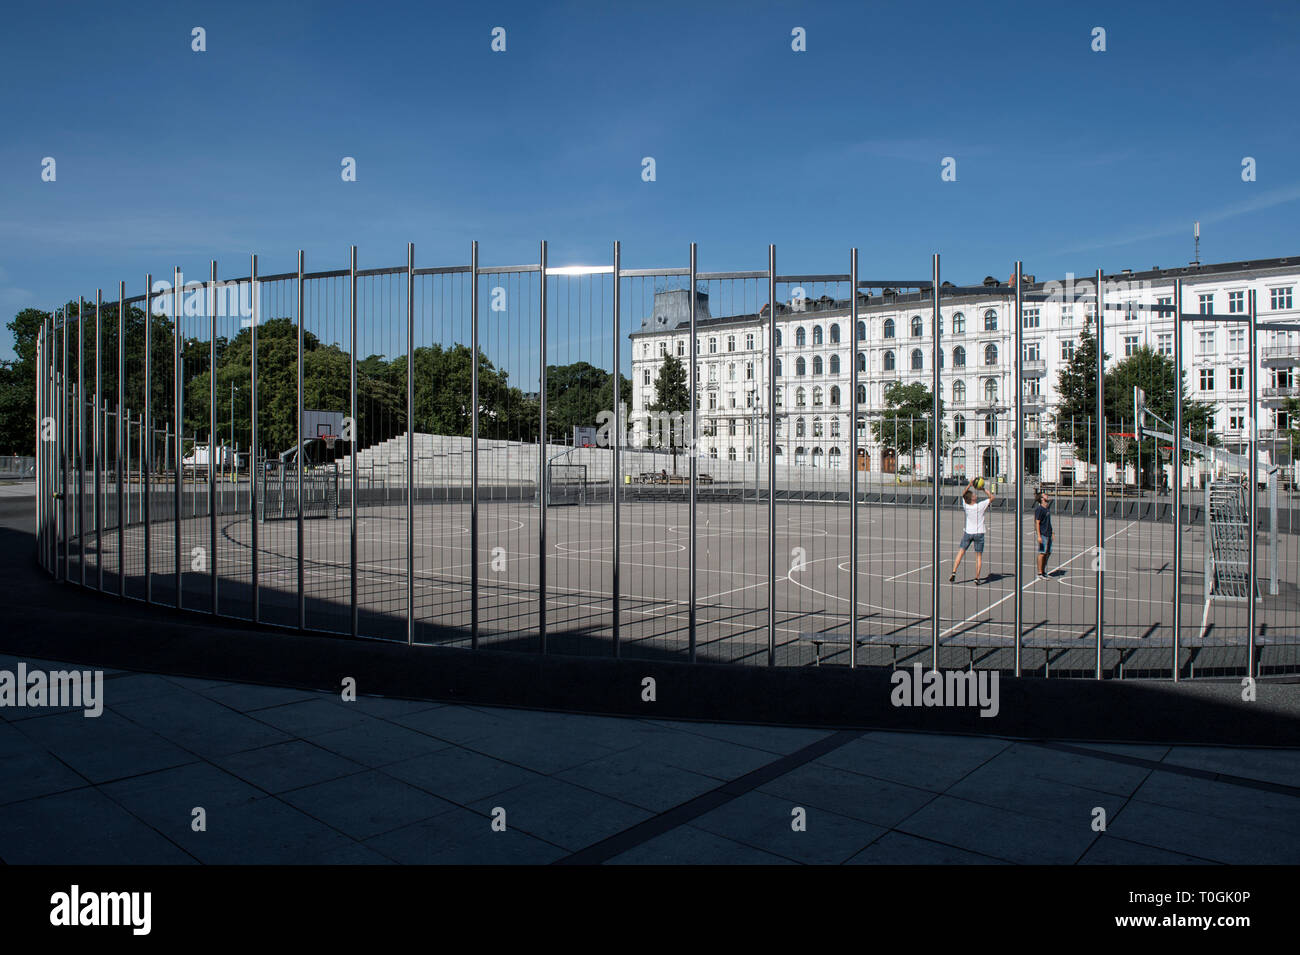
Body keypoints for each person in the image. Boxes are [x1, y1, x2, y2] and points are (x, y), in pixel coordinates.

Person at [949, 478, 995, 585]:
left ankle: (954, 571)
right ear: (973, 499)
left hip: (968, 532)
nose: (975, 495)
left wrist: (969, 485)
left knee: (961, 552)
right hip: (979, 533)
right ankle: (977, 577)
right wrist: (983, 489)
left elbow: (963, 494)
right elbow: (992, 497)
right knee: (978, 556)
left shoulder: (966, 505)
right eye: (974, 495)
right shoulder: (980, 506)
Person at [1034, 489, 1053, 578]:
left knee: (1048, 553)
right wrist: (1039, 536)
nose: (1046, 495)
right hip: (1043, 534)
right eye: (1044, 495)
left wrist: (1052, 532)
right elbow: (1037, 522)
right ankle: (1039, 573)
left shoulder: (1047, 508)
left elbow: (1049, 522)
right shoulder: (1039, 509)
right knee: (1042, 553)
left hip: (1048, 534)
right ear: (1042, 498)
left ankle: (1044, 571)